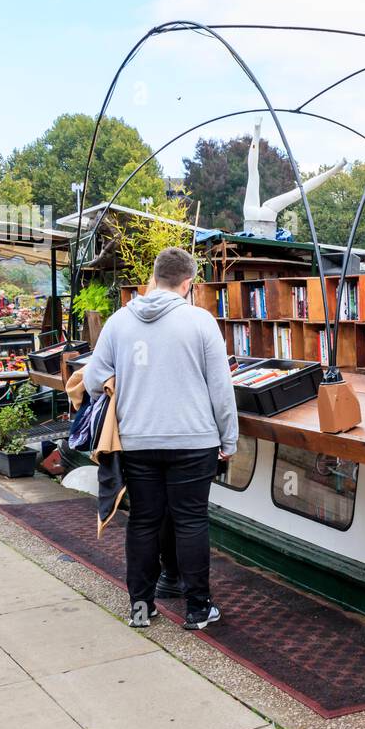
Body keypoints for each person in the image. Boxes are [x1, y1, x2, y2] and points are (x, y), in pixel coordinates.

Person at [83, 247, 237, 630]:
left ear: (153, 278)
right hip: (194, 439)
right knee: (191, 521)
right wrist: (228, 440)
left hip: (137, 440)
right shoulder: (201, 322)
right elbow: (221, 389)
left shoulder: (120, 322)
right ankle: (198, 609)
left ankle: (141, 606)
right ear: (189, 282)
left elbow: (90, 380)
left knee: (144, 522)